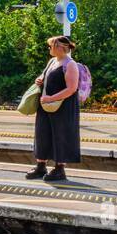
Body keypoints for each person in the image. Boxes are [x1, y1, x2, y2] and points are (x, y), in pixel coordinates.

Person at [28, 35, 82, 182]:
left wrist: (51, 98)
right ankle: (41, 166)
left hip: (63, 107)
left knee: (61, 135)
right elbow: (45, 75)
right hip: (46, 104)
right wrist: (39, 79)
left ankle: (59, 169)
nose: (49, 48)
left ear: (59, 47)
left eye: (51, 45)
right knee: (42, 133)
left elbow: (72, 89)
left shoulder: (70, 64)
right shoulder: (52, 61)